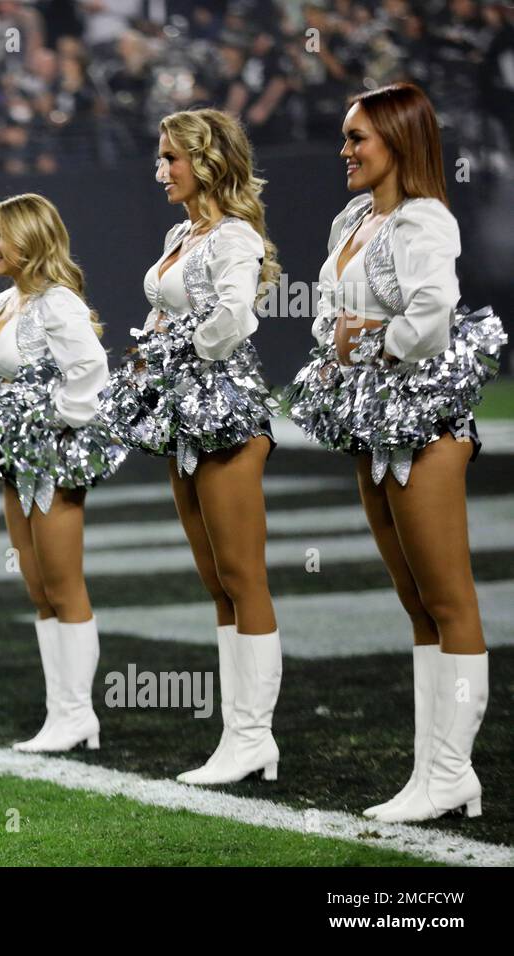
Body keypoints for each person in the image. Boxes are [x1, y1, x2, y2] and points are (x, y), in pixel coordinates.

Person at [285, 83, 502, 822]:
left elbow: (431, 324)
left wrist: (365, 338)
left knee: (449, 598)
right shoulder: (353, 217)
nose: (345, 151)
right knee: (416, 604)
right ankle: (430, 773)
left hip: (425, 422)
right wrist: (342, 339)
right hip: (373, 415)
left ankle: (453, 770)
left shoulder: (425, 220)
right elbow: (324, 319)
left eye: (358, 139)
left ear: (399, 143)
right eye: (346, 138)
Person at [102, 109, 284, 784]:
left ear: (206, 161)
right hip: (185, 414)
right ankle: (239, 737)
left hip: (227, 411)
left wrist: (176, 353)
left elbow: (235, 318)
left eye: (171, 158)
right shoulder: (185, 232)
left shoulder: (234, 235)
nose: (161, 170)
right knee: (216, 582)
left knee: (243, 576)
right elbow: (170, 313)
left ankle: (254, 737)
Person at [0, 193, 126, 751]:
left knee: (63, 584)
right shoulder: (3, 302)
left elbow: (90, 374)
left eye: (0, 235)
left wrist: (47, 422)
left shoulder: (57, 304)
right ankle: (61, 714)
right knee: (37, 587)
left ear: (30, 239)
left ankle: (78, 716)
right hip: (16, 459)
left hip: (49, 458)